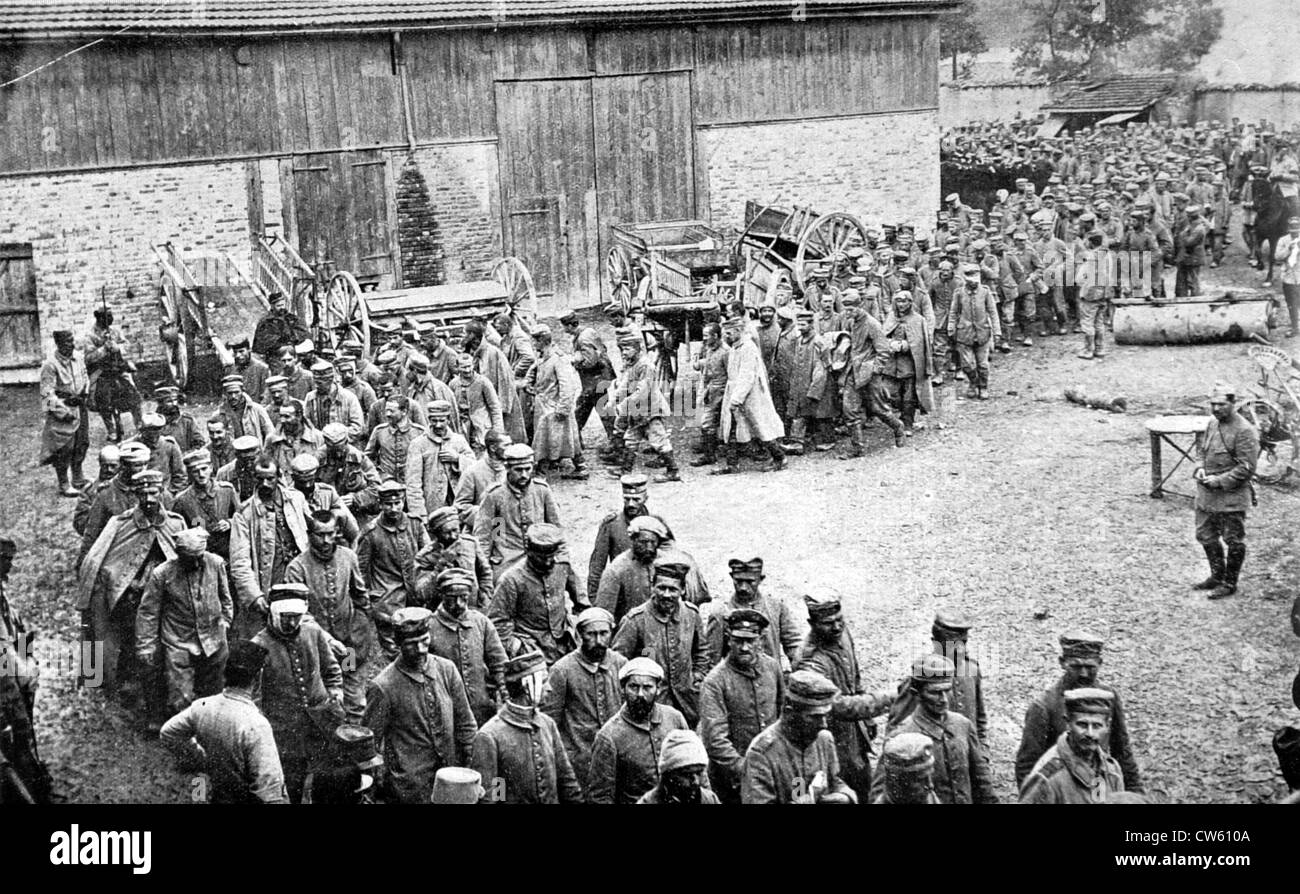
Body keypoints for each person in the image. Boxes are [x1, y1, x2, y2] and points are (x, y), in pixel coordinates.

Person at [76, 470, 186, 698]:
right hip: (130, 596)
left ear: (162, 492)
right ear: (135, 494)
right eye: (142, 494)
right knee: (125, 640)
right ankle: (118, 680)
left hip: (165, 595)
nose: (148, 499)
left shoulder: (175, 524)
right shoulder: (120, 523)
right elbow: (99, 558)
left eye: (153, 493)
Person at [363, 606, 478, 804]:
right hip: (408, 789)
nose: (421, 649)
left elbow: (466, 725)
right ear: (398, 644)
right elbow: (368, 745)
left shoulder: (447, 670)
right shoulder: (383, 686)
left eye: (425, 641)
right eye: (411, 644)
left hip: (449, 781)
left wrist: (470, 766)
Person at [158, 640, 288, 804]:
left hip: (217, 795)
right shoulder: (256, 724)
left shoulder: (202, 707)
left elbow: (168, 733)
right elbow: (271, 793)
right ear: (258, 676)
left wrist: (200, 758)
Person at [1014, 630, 1143, 793]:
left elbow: (1122, 752)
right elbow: (1027, 766)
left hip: (1098, 783)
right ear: (1062, 662)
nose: (1083, 673)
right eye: (1076, 666)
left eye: (1090, 667)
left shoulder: (1109, 698)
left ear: (1100, 663)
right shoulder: (1044, 706)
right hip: (1062, 790)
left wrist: (1136, 795)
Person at [250, 582, 344, 803]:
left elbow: (332, 669)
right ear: (273, 614)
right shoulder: (258, 645)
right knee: (291, 780)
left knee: (327, 777)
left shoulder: (313, 632)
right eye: (285, 617)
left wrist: (336, 692)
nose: (292, 623)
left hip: (321, 721)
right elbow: (253, 696)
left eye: (296, 617)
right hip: (284, 730)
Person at [794, 591, 892, 798]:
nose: (837, 627)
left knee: (864, 787)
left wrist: (867, 718)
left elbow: (854, 676)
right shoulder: (809, 661)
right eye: (828, 623)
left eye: (840, 620)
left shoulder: (841, 634)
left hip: (854, 738)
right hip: (827, 740)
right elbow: (836, 705)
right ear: (812, 623)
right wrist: (886, 699)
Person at [135, 527, 232, 725]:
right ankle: (185, 737)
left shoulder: (215, 563)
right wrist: (146, 645)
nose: (196, 563)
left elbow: (225, 597)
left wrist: (226, 621)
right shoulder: (162, 574)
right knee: (181, 695)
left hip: (214, 638)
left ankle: (211, 731)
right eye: (190, 558)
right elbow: (148, 612)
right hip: (178, 640)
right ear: (179, 554)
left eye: (199, 557)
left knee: (215, 691)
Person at [872, 654, 996, 804]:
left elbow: (982, 782)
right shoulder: (902, 737)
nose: (944, 699)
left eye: (947, 690)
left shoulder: (962, 725)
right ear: (917, 694)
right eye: (935, 692)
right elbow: (880, 795)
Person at [284, 510, 371, 723]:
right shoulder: (297, 567)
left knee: (353, 693)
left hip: (348, 642)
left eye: (330, 534)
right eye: (319, 534)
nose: (325, 540)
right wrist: (326, 640)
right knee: (321, 698)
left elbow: (360, 596)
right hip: (315, 646)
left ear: (337, 532)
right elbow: (298, 614)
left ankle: (354, 737)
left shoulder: (348, 557)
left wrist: (359, 630)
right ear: (309, 534)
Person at [470, 650, 583, 803]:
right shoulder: (490, 736)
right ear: (527, 687)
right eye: (543, 682)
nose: (549, 688)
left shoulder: (547, 724)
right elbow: (494, 796)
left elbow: (566, 781)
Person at [698, 608, 785, 803]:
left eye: (750, 641)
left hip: (773, 772)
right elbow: (716, 742)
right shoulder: (715, 682)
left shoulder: (772, 667)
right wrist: (749, 771)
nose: (744, 648)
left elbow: (782, 716)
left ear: (761, 640)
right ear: (729, 640)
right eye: (738, 641)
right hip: (733, 781)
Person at [539, 606, 626, 796]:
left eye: (604, 634)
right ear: (579, 635)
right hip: (578, 761)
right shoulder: (562, 670)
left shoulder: (621, 665)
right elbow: (549, 720)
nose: (598, 641)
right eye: (591, 634)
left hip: (616, 758)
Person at [610, 559, 707, 727]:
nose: (667, 594)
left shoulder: (691, 615)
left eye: (673, 589)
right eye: (661, 588)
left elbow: (702, 652)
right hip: (650, 704)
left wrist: (697, 678)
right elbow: (617, 662)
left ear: (683, 590)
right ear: (652, 587)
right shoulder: (635, 620)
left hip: (687, 703)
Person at [741, 669, 857, 804]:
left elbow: (835, 781)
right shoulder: (761, 754)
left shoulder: (824, 739)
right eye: (815, 717)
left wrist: (845, 796)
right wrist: (809, 799)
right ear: (790, 713)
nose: (823, 724)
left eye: (825, 716)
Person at [228, 455, 311, 641]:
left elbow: (312, 530)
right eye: (260, 478)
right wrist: (254, 596)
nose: (265, 483)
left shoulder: (296, 499)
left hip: (299, 576)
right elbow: (239, 562)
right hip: (269, 582)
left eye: (270, 478)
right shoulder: (244, 514)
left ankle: (341, 666)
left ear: (279, 476)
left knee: (306, 631)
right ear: (253, 478)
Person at [586, 657, 690, 804]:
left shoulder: (674, 719)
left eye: (647, 687)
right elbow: (600, 797)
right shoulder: (609, 736)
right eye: (633, 687)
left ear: (658, 689)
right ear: (623, 689)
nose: (640, 694)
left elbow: (695, 768)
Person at [1192, 381, 1260, 599]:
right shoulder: (1213, 423)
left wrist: (1219, 480)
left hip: (1231, 496)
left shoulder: (1244, 430)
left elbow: (1246, 468)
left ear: (1233, 403)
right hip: (1207, 494)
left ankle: (1230, 583)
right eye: (1213, 404)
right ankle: (1216, 575)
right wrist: (1200, 467)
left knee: (1233, 539)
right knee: (1205, 535)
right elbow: (1202, 449)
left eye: (1221, 404)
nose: (1216, 409)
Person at [488, 522, 585, 665]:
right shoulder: (511, 579)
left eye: (551, 556)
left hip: (565, 645)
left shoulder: (562, 567)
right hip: (531, 652)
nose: (547, 563)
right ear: (528, 551)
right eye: (541, 558)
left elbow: (582, 601)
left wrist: (578, 626)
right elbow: (498, 622)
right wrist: (516, 648)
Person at [0, 538, 51, 803]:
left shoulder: (2, 591)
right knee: (16, 728)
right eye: (6, 560)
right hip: (4, 676)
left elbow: (14, 628)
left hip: (13, 667)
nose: (10, 566)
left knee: (22, 726)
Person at [887, 610, 987, 745]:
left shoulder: (972, 670)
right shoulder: (922, 677)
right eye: (952, 645)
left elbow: (980, 721)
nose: (960, 650)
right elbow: (895, 730)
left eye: (964, 642)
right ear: (936, 643)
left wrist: (983, 753)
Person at [358, 479, 428, 658]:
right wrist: (368, 600)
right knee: (393, 647)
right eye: (388, 504)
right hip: (387, 597)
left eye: (398, 503)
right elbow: (361, 570)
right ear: (380, 504)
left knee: (418, 640)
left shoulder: (415, 524)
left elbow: (428, 556)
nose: (394, 508)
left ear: (403, 502)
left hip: (415, 591)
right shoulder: (371, 532)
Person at [427, 567, 506, 726]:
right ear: (441, 596)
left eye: (464, 597)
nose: (459, 604)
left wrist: (505, 693)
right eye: (452, 598)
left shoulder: (481, 622)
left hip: (481, 710)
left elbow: (499, 664)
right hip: (445, 712)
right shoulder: (428, 626)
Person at [1019, 688, 1125, 804]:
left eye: (1096, 726)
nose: (1090, 733)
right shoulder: (1047, 778)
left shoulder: (1111, 770)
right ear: (1068, 723)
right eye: (1082, 725)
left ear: (1107, 726)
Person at [473, 443, 563, 569]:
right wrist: (484, 569)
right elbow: (484, 537)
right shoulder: (495, 495)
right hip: (507, 561)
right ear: (507, 468)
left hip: (540, 558)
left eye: (528, 469)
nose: (524, 475)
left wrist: (562, 560)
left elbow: (557, 529)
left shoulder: (542, 490)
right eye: (518, 470)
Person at [704, 557, 803, 671]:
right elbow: (711, 660)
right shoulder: (720, 613)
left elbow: (793, 644)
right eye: (738, 581)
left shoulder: (776, 607)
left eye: (750, 582)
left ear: (760, 579)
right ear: (732, 577)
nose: (743, 587)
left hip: (770, 681)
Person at [716, 314, 786, 473]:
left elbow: (747, 376)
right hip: (736, 392)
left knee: (760, 426)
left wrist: (736, 399)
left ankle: (780, 458)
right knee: (731, 428)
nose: (726, 336)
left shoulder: (748, 347)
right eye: (725, 333)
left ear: (739, 330)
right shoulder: (735, 346)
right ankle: (732, 464)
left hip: (750, 395)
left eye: (729, 333)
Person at [607, 330, 680, 482]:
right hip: (637, 411)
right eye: (622, 349)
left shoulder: (646, 366)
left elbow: (642, 391)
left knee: (659, 440)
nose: (624, 353)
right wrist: (613, 400)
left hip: (650, 410)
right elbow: (625, 386)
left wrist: (624, 405)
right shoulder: (632, 365)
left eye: (627, 349)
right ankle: (624, 470)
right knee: (631, 439)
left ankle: (673, 471)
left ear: (638, 348)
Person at [527, 325, 587, 479]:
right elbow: (536, 371)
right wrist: (529, 382)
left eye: (535, 341)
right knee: (557, 438)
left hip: (554, 407)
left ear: (542, 340)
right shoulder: (543, 357)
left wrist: (563, 408)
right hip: (544, 404)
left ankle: (545, 470)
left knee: (557, 438)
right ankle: (572, 465)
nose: (533, 344)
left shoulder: (558, 359)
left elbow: (567, 386)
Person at [404, 400, 474, 522]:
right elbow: (413, 483)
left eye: (442, 421)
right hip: (431, 507)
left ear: (448, 419)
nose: (437, 425)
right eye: (434, 420)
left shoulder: (459, 441)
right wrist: (419, 515)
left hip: (457, 505)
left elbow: (474, 468)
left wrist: (457, 459)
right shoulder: (418, 444)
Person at [595, 514, 672, 625]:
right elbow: (604, 614)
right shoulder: (617, 569)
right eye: (643, 542)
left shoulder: (666, 562)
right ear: (633, 540)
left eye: (653, 542)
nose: (649, 548)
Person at [39, 329, 90, 497]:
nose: (72, 344)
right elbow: (47, 395)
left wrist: (85, 392)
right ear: (59, 344)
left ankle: (78, 478)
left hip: (79, 407)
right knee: (64, 448)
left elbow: (85, 376)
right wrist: (63, 411)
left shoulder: (78, 358)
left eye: (72, 340)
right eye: (67, 342)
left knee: (82, 443)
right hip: (64, 410)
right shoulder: (50, 365)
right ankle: (64, 483)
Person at [79, 441, 150, 558]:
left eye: (145, 464)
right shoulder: (106, 493)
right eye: (137, 465)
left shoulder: (153, 488)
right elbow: (92, 533)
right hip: (114, 553)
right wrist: (84, 564)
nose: (143, 469)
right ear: (123, 465)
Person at [879, 290, 935, 437]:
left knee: (909, 397)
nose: (901, 304)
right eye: (898, 301)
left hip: (909, 364)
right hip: (891, 365)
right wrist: (890, 343)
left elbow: (921, 342)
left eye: (904, 301)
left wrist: (906, 345)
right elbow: (882, 335)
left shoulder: (918, 320)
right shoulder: (891, 317)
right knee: (891, 395)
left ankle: (908, 423)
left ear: (910, 303)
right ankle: (897, 419)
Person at [463, 319, 527, 444]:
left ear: (473, 336)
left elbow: (506, 383)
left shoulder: (493, 353)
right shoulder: (470, 353)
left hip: (498, 406)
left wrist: (502, 409)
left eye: (466, 334)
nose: (463, 337)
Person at [413, 506, 492, 608]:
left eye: (455, 530)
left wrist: (484, 600)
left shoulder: (471, 544)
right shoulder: (425, 557)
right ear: (437, 533)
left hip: (472, 608)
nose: (453, 536)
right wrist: (439, 567)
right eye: (447, 533)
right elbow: (421, 593)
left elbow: (485, 574)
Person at [84, 309, 142, 444]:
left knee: (134, 393)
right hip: (101, 372)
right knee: (101, 398)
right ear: (98, 318)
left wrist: (118, 347)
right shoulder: (90, 336)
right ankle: (111, 430)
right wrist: (104, 349)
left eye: (111, 316)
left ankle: (139, 424)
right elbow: (88, 358)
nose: (110, 319)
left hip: (118, 368)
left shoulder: (114, 331)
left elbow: (126, 345)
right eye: (107, 316)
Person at [559, 310, 615, 450]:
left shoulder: (582, 339)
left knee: (583, 409)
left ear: (570, 326)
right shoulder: (589, 331)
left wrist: (575, 363)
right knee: (599, 409)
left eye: (565, 327)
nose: (564, 330)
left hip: (593, 380)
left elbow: (590, 361)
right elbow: (603, 349)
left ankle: (576, 442)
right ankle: (615, 440)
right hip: (602, 377)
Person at [948, 263, 1001, 400]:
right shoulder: (959, 293)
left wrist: (997, 331)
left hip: (983, 333)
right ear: (966, 279)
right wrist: (951, 327)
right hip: (964, 334)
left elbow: (993, 312)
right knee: (967, 365)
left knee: (983, 365)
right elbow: (953, 312)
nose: (973, 283)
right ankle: (973, 382)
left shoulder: (985, 292)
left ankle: (983, 387)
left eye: (975, 280)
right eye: (971, 280)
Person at [287, 454, 359, 546]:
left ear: (316, 475)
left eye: (310, 481)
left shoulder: (328, 492)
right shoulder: (288, 498)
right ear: (293, 477)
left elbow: (350, 525)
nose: (307, 486)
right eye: (302, 482)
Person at [637, 729, 720, 804]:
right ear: (669, 775)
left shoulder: (710, 800)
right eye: (687, 775)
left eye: (699, 773)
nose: (696, 781)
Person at [317, 423, 381, 518]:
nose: (338, 454)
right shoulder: (317, 458)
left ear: (347, 441)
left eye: (341, 448)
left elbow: (376, 488)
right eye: (333, 451)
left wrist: (355, 498)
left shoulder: (359, 458)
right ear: (326, 444)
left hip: (354, 512)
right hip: (324, 513)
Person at [453, 429, 510, 529]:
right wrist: (486, 515)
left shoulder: (513, 469)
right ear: (493, 448)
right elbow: (460, 507)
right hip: (483, 531)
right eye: (506, 445)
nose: (511, 449)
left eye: (511, 444)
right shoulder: (472, 471)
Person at [690, 322, 729, 467]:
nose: (704, 339)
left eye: (707, 336)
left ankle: (710, 455)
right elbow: (710, 362)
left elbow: (730, 373)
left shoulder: (725, 351)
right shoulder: (710, 349)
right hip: (709, 389)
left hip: (719, 391)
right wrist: (699, 363)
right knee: (707, 422)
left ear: (716, 336)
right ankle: (710, 451)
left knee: (708, 422)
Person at [448, 351, 502, 454]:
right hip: (463, 426)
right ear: (458, 367)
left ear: (473, 365)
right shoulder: (453, 384)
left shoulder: (483, 382)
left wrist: (498, 430)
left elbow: (494, 406)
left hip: (481, 426)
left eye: (469, 366)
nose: (467, 370)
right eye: (464, 367)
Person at [367, 395, 427, 484]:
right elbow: (368, 457)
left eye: (391, 411)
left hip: (412, 484)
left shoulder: (419, 432)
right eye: (386, 410)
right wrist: (380, 476)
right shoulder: (379, 431)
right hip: (386, 485)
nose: (387, 414)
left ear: (404, 411)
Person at [304, 360, 365, 442]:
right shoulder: (310, 397)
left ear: (330, 380)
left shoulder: (349, 398)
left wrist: (336, 437)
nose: (316, 386)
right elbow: (306, 422)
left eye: (320, 383)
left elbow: (357, 428)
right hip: (318, 444)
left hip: (343, 445)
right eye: (315, 382)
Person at [873, 732, 940, 804]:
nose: (931, 785)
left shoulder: (928, 798)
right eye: (921, 780)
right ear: (897, 783)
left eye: (929, 777)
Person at [264, 401, 324, 477]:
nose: (282, 420)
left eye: (287, 416)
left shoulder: (317, 437)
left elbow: (323, 468)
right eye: (281, 416)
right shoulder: (272, 439)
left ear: (299, 416)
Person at [251, 290, 310, 368]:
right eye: (278, 306)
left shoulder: (291, 318)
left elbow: (303, 332)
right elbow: (264, 340)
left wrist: (292, 336)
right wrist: (281, 339)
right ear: (272, 306)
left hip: (295, 352)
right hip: (275, 356)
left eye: (283, 305)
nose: (282, 308)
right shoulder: (266, 322)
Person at [73, 444, 120, 537]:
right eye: (105, 465)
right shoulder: (89, 490)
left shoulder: (127, 487)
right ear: (100, 464)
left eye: (113, 466)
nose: (109, 470)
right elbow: (79, 524)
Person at [136, 412, 187, 494]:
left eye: (157, 429)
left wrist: (170, 494)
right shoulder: (132, 446)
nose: (154, 434)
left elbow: (180, 475)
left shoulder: (169, 445)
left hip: (163, 492)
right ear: (142, 430)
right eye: (150, 430)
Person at [214, 375, 273, 444]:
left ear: (242, 391)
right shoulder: (219, 414)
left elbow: (270, 432)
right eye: (230, 393)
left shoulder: (257, 409)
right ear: (225, 393)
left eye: (236, 392)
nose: (233, 396)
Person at [153, 385, 205, 453]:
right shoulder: (153, 422)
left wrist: (188, 454)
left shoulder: (186, 421)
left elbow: (199, 442)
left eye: (175, 400)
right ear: (160, 403)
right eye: (169, 401)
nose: (174, 404)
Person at [1273, 215, 1300, 337]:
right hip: (1289, 277)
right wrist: (1288, 249)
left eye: (1297, 227)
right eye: (1292, 227)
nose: (1295, 230)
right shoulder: (1283, 240)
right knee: (1292, 304)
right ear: (1288, 228)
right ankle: (1295, 328)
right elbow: (1277, 257)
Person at [1173, 204, 1207, 298]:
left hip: (1194, 258)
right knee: (1185, 279)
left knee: (1193, 280)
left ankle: (1195, 299)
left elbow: (1188, 242)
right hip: (1188, 257)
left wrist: (1183, 235)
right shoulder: (1192, 226)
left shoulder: (1199, 229)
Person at [216, 435, 262, 503]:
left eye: (252, 459)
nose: (249, 464)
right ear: (236, 455)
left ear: (259, 454)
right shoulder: (224, 473)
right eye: (244, 460)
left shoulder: (266, 470)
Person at [335, 355, 377, 425]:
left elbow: (373, 412)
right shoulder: (336, 387)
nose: (347, 375)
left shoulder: (364, 388)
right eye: (343, 371)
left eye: (350, 370)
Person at [226, 337, 269, 405]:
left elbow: (266, 397)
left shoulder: (262, 369)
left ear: (249, 350)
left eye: (241, 351)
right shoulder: (230, 369)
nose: (238, 355)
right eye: (235, 352)